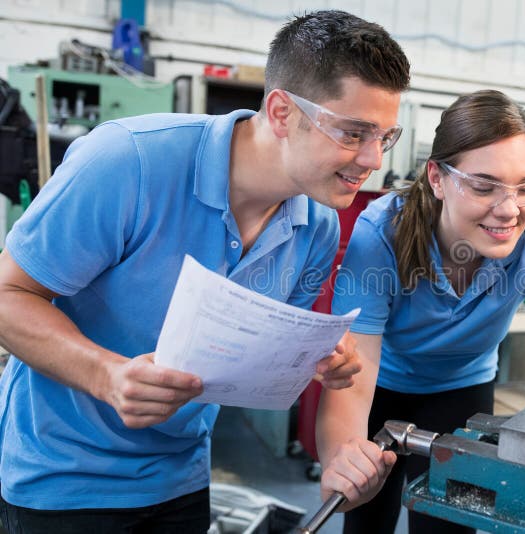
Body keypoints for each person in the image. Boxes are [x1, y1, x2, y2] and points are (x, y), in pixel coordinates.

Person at [0, 10, 409, 534]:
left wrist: (313, 359)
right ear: (282, 112)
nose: (372, 159)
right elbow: (9, 292)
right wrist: (107, 376)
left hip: (182, 479)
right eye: (353, 133)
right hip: (64, 480)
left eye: (385, 137)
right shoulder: (129, 162)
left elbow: (260, 347)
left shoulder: (317, 226)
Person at [316, 89, 525, 533]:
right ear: (437, 179)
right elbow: (353, 371)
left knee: (449, 523)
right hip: (381, 387)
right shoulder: (382, 233)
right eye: (484, 186)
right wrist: (342, 461)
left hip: (463, 388)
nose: (508, 209)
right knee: (365, 517)